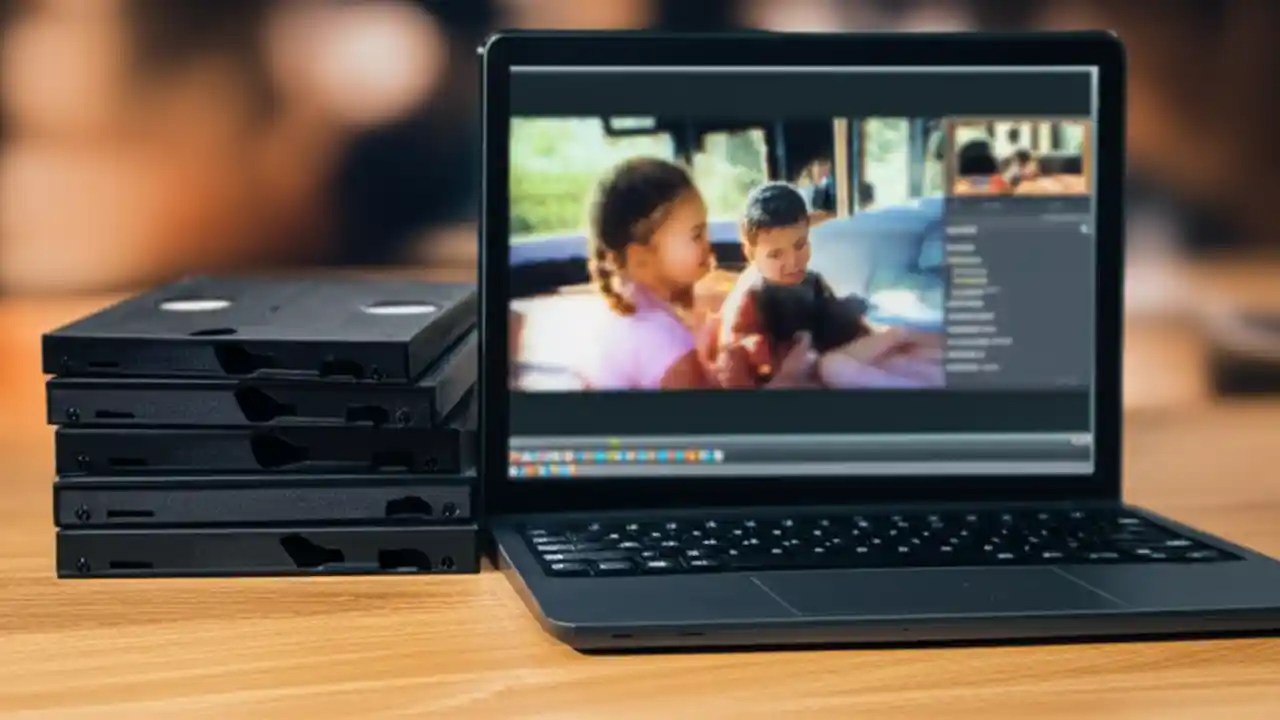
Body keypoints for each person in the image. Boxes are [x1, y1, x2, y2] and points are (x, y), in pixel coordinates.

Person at [582, 158, 814, 390]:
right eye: (696, 235)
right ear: (640, 259)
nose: (707, 243)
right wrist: (788, 378)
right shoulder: (664, 341)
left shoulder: (625, 319)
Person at [716, 182, 943, 389]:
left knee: (904, 349)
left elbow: (848, 330)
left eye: (800, 245)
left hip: (834, 367)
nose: (792, 262)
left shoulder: (809, 281)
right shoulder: (746, 307)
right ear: (750, 253)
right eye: (776, 255)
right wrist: (792, 373)